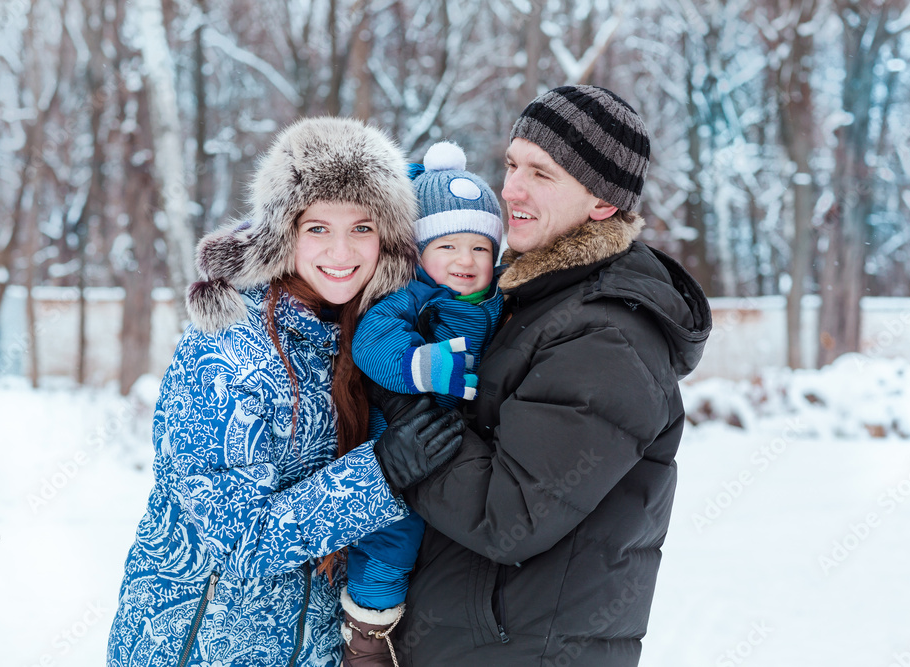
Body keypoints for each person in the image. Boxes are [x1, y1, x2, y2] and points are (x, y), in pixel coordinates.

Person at [106, 117, 465, 667]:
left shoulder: (363, 338)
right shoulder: (228, 350)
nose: (341, 251)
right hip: (193, 648)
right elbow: (237, 540)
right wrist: (382, 472)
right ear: (282, 234)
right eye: (317, 228)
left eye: (363, 228)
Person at [389, 85, 713, 666]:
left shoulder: (609, 336)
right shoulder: (526, 297)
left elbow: (507, 516)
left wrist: (400, 401)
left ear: (602, 204)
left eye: (542, 173)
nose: (510, 188)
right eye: (512, 163)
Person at [339, 141, 504, 666]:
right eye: (448, 247)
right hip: (403, 446)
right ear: (418, 253)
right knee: (392, 541)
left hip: (459, 454)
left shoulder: (502, 299)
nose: (466, 261)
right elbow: (372, 344)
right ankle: (367, 634)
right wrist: (422, 366)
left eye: (480, 249)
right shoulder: (410, 296)